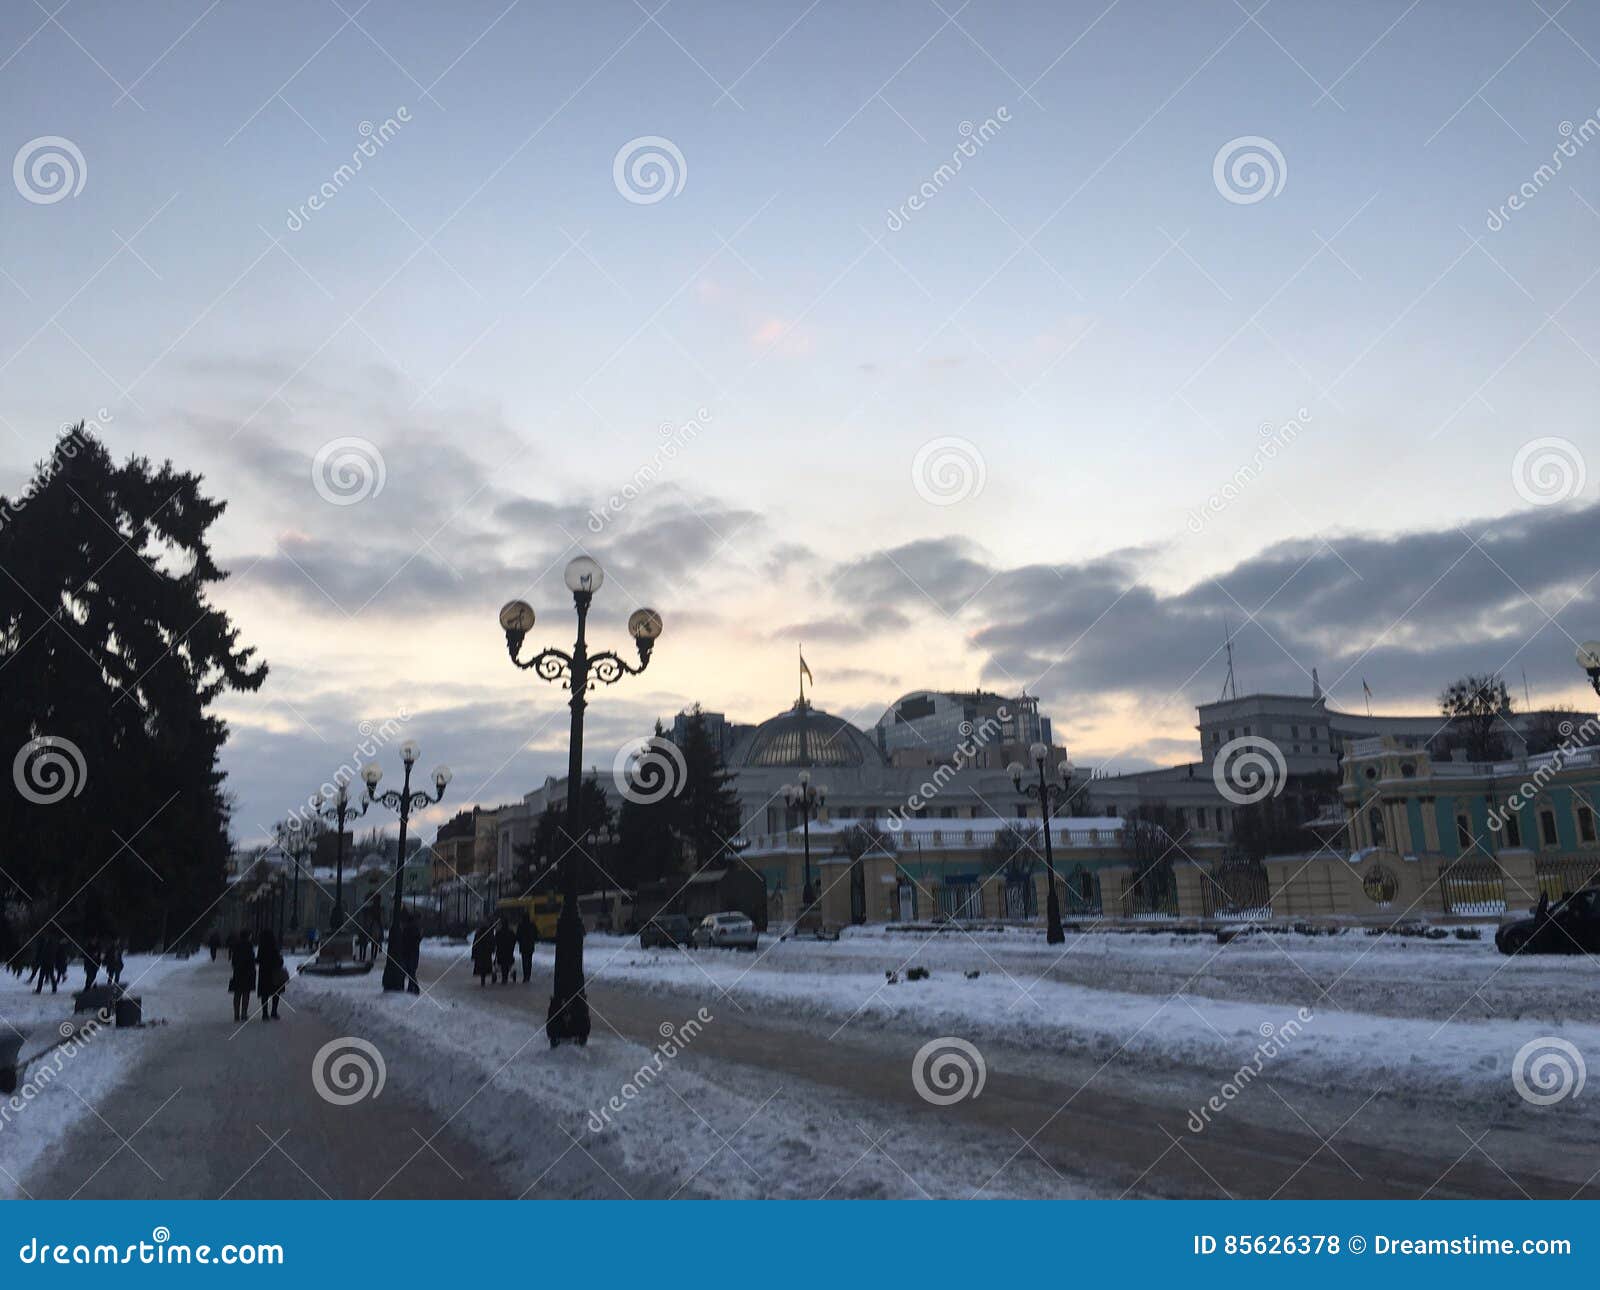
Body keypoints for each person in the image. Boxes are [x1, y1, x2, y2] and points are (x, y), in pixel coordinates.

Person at [255, 928, 285, 1021]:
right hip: (275, 972)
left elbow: (258, 960)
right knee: (276, 993)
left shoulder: (262, 947)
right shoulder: (275, 947)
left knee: (265, 993)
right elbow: (279, 961)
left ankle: (264, 1013)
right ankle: (274, 1011)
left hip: (264, 972)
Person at [229, 930, 256, 1022]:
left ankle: (236, 1014)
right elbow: (252, 960)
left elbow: (233, 960)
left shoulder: (236, 946)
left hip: (238, 972)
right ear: (248, 936)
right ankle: (244, 1013)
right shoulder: (249, 946)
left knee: (237, 993)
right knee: (245, 993)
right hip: (247, 972)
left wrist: (236, 967)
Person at [399, 912, 422, 995]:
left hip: (408, 954)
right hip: (414, 954)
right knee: (411, 972)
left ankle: (415, 988)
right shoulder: (416, 929)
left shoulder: (407, 929)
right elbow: (417, 940)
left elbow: (404, 942)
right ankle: (412, 988)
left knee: (409, 972)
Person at [494, 917, 516, 985]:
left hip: (500, 951)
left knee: (502, 964)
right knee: (507, 964)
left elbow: (496, 941)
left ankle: (504, 978)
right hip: (509, 951)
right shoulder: (511, 932)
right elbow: (514, 940)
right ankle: (505, 977)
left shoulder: (498, 932)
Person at [471, 921, 494, 987]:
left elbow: (474, 944)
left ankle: (482, 979)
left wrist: (473, 955)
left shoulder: (478, 934)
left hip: (480, 953)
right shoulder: (489, 934)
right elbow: (492, 943)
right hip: (487, 953)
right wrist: (492, 949)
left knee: (481, 967)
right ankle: (484, 978)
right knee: (486, 966)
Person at [516, 914, 537, 984]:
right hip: (530, 946)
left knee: (524, 961)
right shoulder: (532, 925)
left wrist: (520, 941)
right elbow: (536, 934)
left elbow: (518, 936)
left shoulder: (520, 926)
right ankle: (528, 975)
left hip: (523, 946)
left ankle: (525, 976)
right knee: (529, 960)